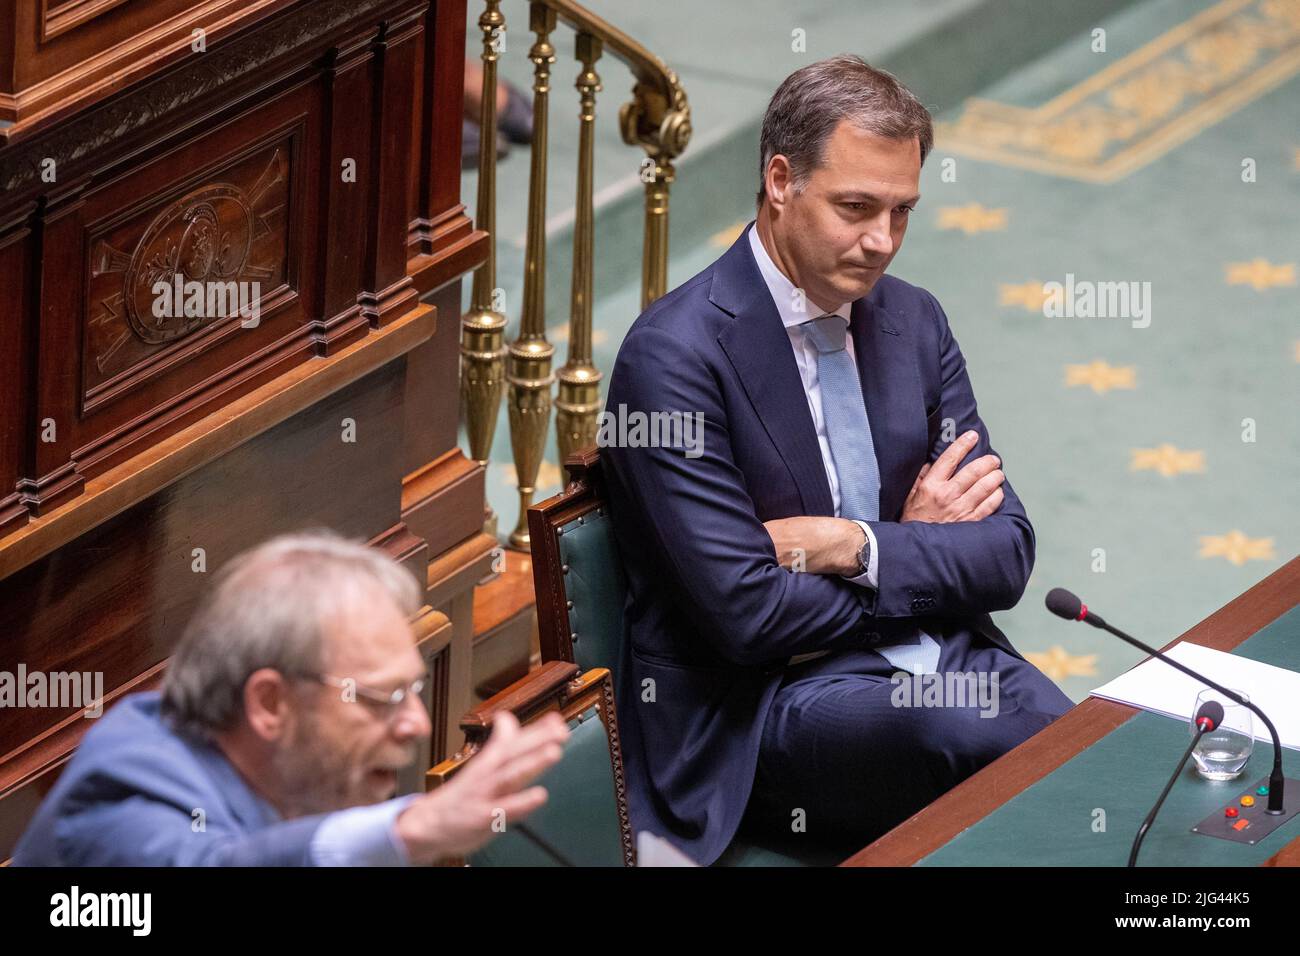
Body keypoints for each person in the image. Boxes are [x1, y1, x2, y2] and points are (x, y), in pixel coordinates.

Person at [601, 54, 1073, 865]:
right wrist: (911, 555)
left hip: (934, 656)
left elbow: (1006, 554)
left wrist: (858, 546)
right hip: (760, 705)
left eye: (902, 212)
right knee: (983, 740)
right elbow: (747, 615)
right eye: (855, 207)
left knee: (1089, 746)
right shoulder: (673, 359)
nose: (881, 242)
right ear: (780, 181)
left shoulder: (912, 321)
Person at [13, 532, 568, 866]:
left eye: (415, 690)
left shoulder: (291, 781)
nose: (417, 725)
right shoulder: (123, 809)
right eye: (384, 697)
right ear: (270, 705)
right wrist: (409, 830)